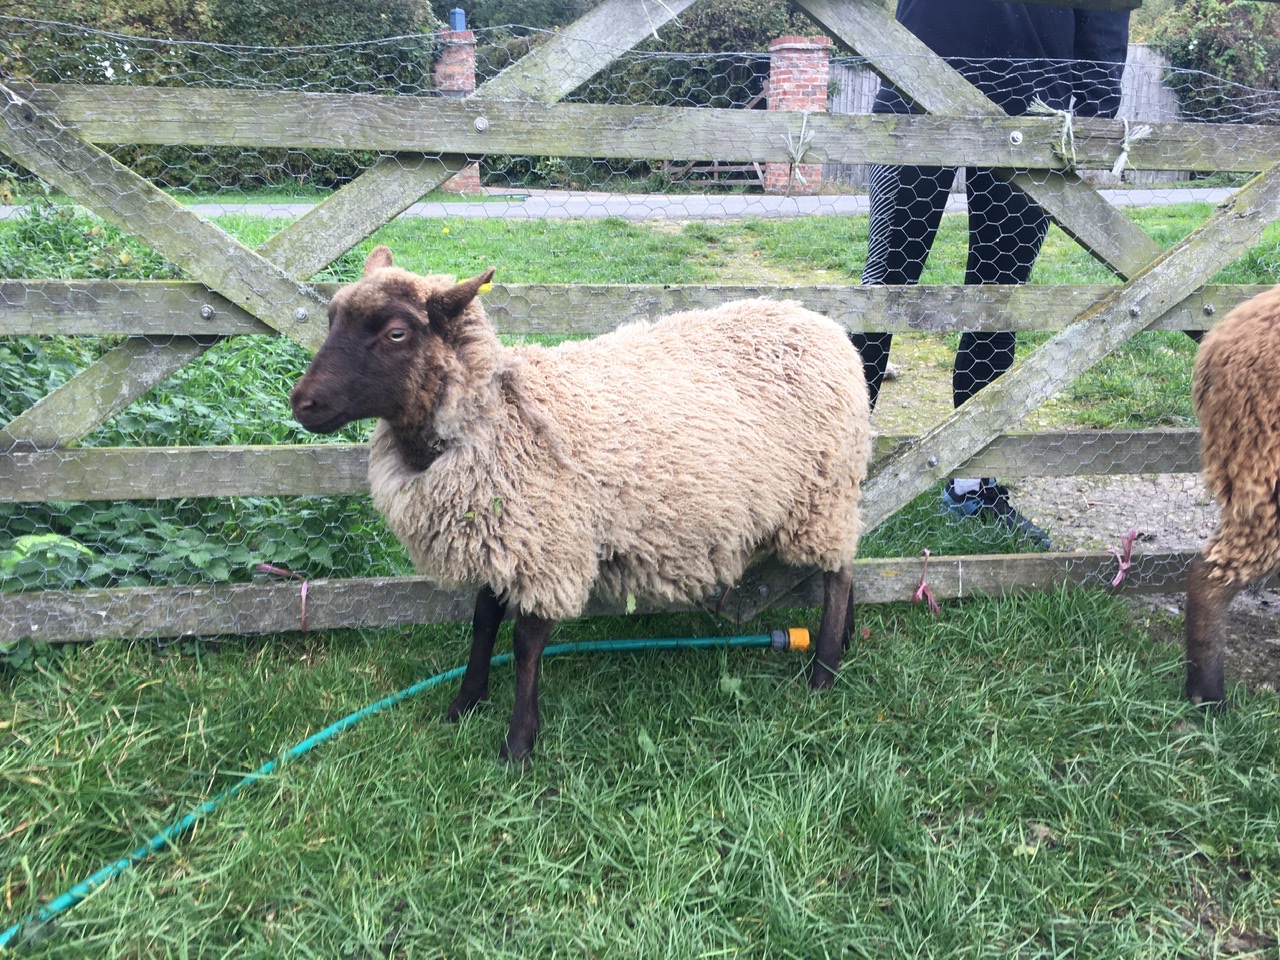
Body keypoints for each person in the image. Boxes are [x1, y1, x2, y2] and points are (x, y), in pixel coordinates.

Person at [853, 2, 1131, 549]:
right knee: (884, 286)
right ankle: (829, 471)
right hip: (913, 76)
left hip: (1034, 99)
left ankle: (973, 482)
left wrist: (1096, 106)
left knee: (998, 297)